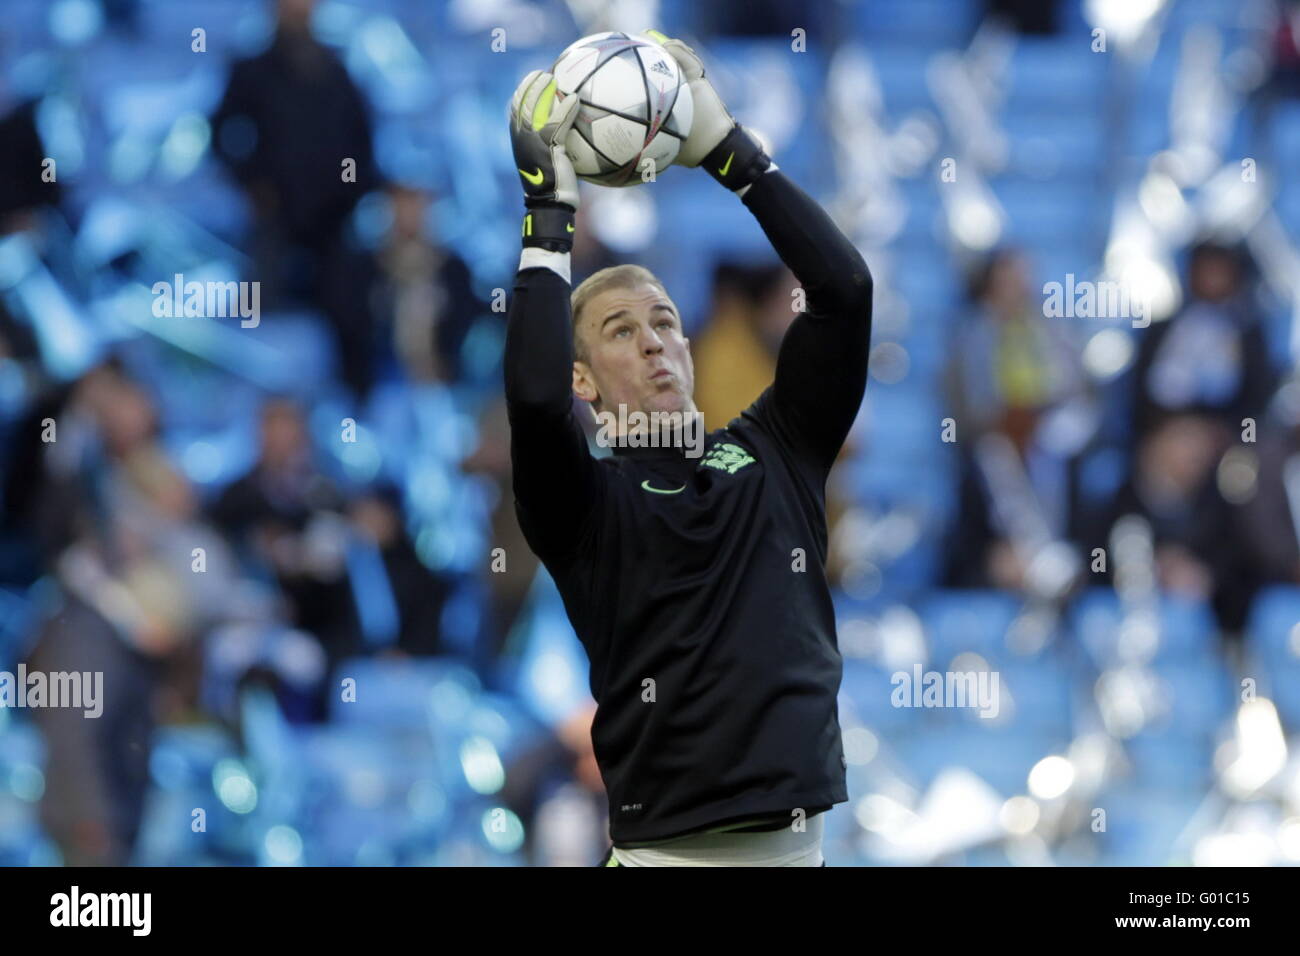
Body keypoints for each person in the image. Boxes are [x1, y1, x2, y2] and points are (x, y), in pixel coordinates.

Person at [503, 32, 873, 866]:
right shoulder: (584, 502)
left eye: (665, 322)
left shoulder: (778, 448)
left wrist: (731, 154)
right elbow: (530, 396)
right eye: (620, 330)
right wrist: (548, 222)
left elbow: (844, 293)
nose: (654, 343)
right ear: (584, 381)